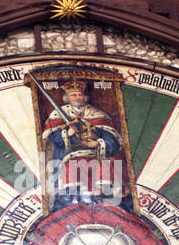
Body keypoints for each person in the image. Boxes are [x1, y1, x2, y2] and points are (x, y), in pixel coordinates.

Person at [42, 80, 127, 210]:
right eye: (73, 95)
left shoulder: (97, 114)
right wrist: (67, 133)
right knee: (72, 171)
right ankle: (73, 207)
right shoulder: (58, 114)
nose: (77, 97)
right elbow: (52, 138)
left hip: (96, 155)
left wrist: (98, 143)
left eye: (79, 95)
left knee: (106, 167)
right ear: (67, 97)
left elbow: (112, 140)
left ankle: (104, 206)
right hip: (69, 156)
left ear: (84, 97)